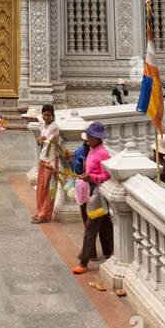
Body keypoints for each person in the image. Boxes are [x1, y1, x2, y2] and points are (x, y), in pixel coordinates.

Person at [71, 122, 113, 275]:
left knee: (90, 228)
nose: (87, 138)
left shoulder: (102, 153)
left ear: (97, 137)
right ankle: (110, 250)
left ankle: (83, 261)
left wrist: (92, 177)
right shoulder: (93, 150)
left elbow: (107, 176)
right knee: (105, 224)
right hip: (92, 192)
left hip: (98, 194)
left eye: (89, 136)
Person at [32, 104, 61, 223]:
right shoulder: (43, 126)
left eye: (49, 115)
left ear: (53, 115)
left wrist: (53, 164)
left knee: (49, 190)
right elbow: (43, 141)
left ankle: (45, 215)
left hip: (50, 161)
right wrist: (39, 140)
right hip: (42, 159)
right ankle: (40, 211)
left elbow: (53, 146)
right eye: (45, 115)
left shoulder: (55, 128)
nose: (46, 117)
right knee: (41, 188)